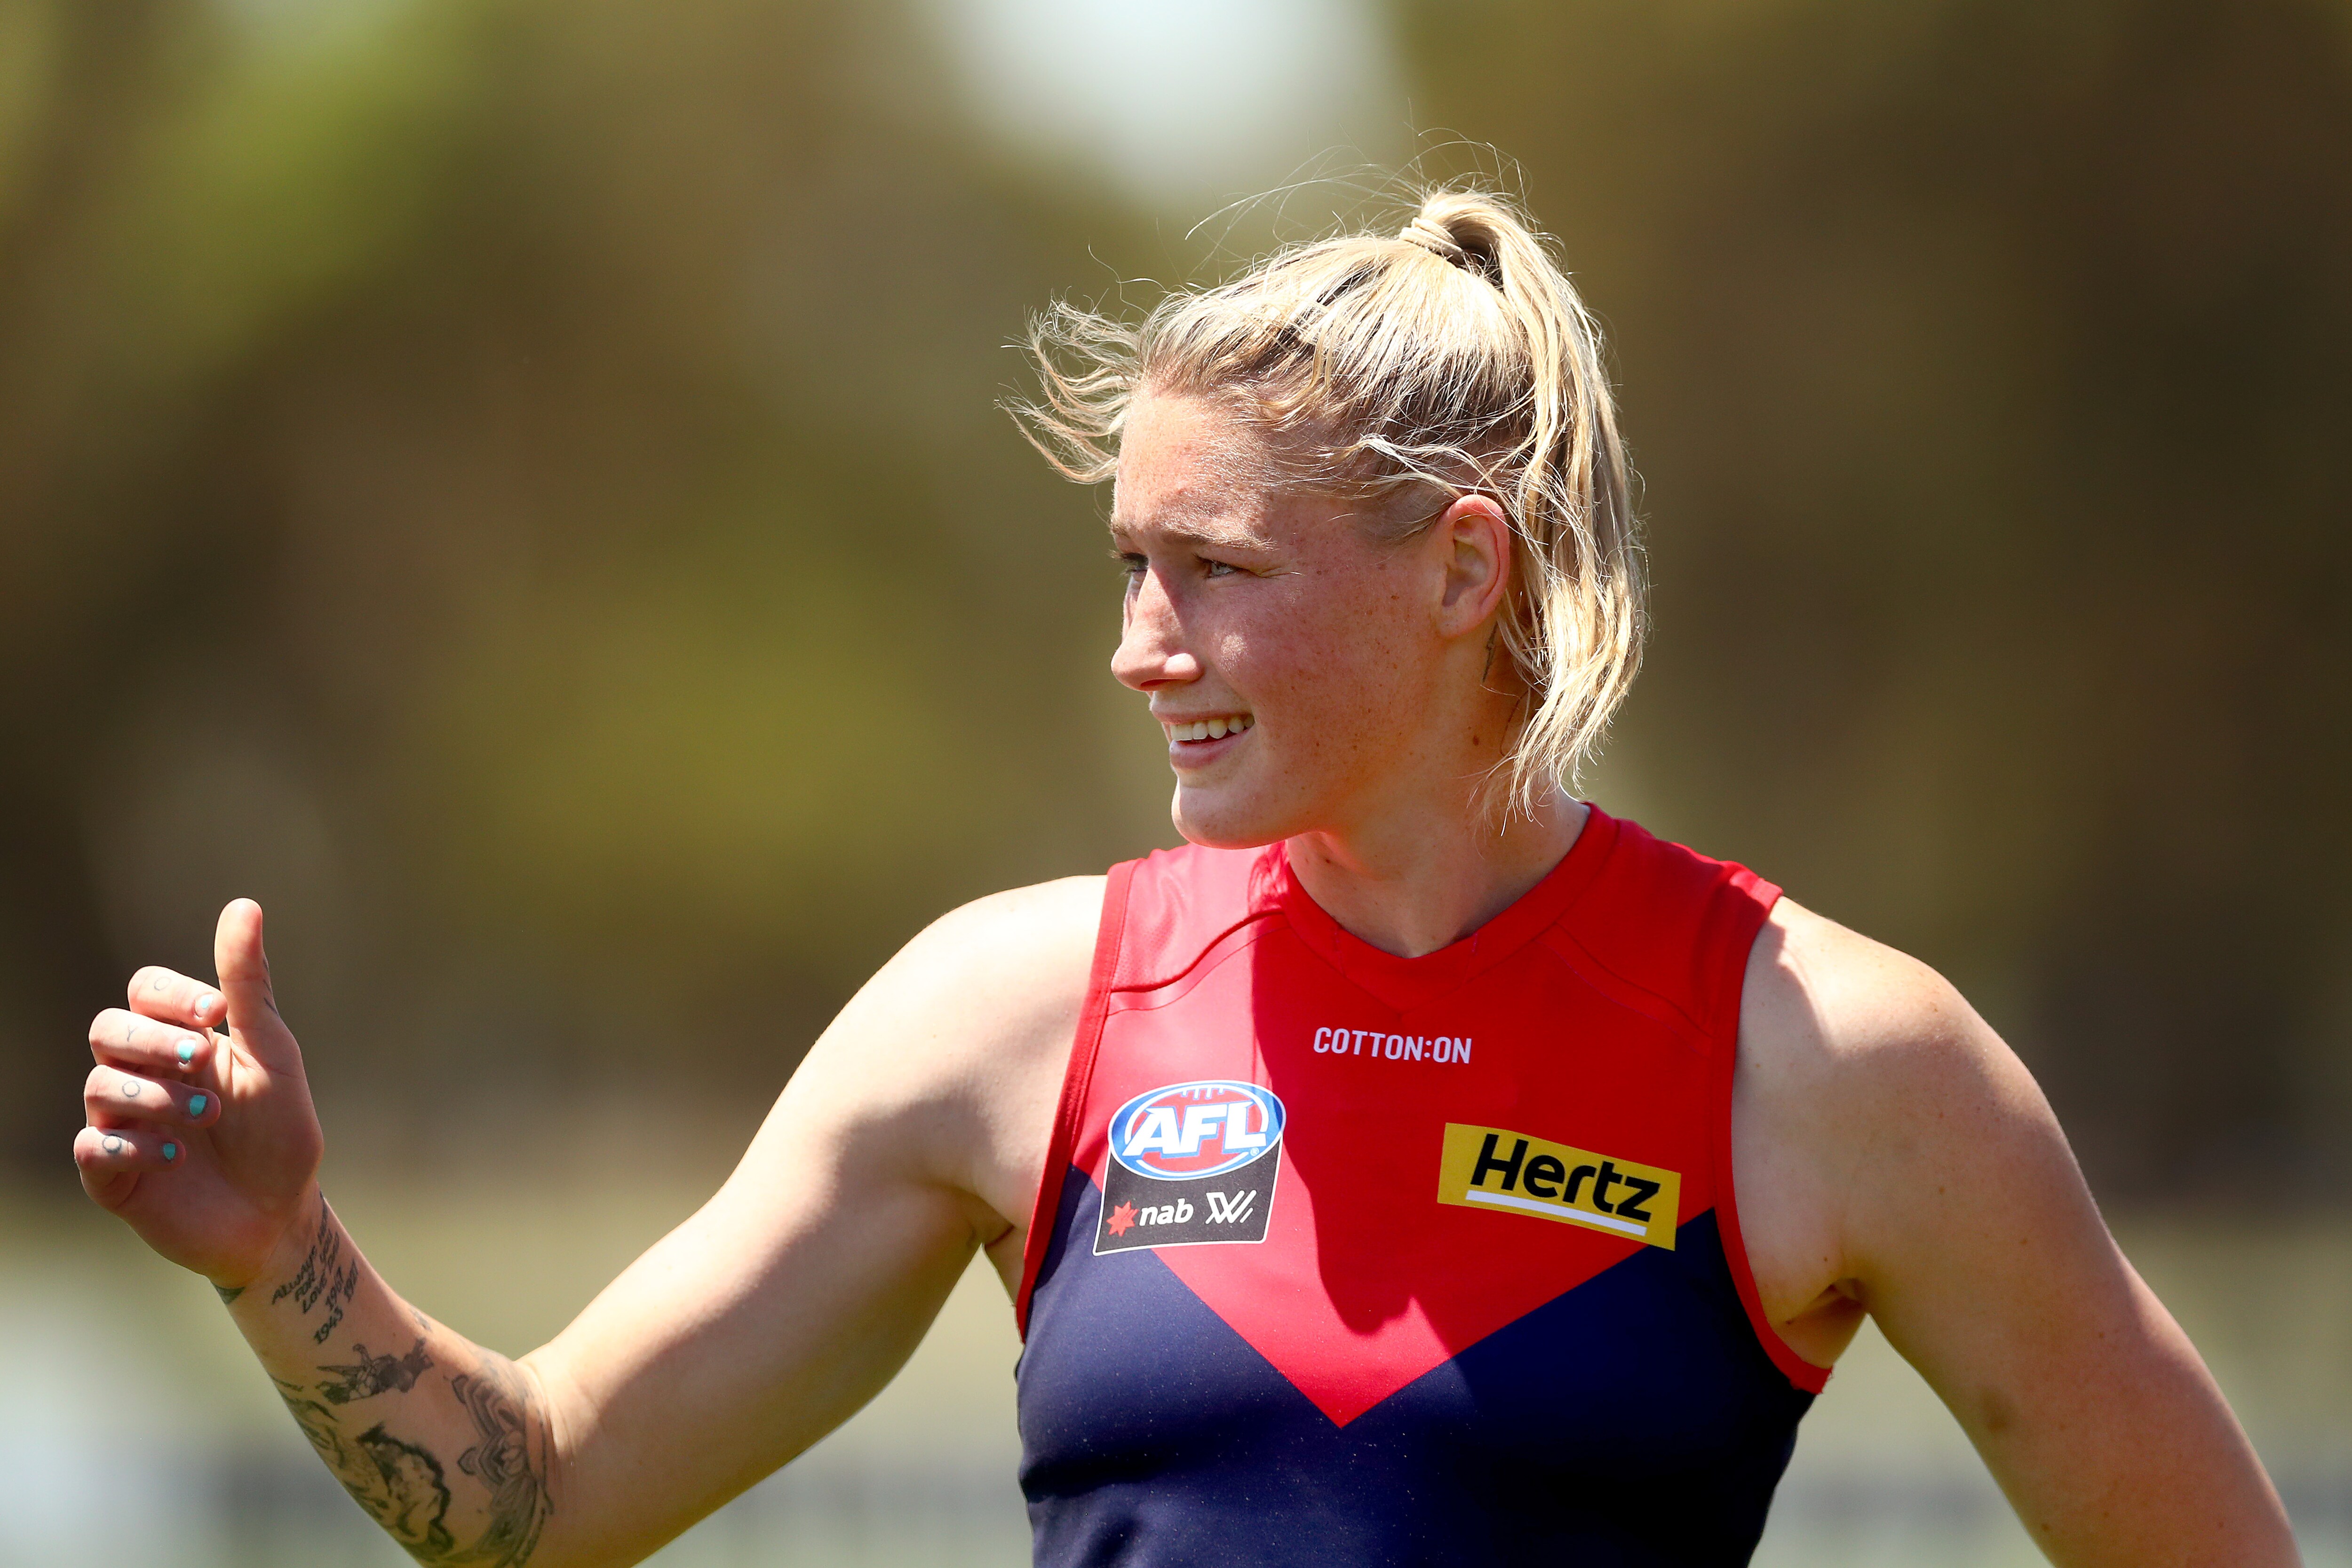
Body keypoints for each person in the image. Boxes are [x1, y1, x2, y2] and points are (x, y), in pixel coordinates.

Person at [75, 187, 2296, 1568]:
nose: (1142, 646)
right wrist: (283, 1257)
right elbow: (536, 1496)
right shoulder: (1007, 1017)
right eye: (1127, 566)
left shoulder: (1831, 1062)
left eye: (1213, 571)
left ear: (1460, 574)